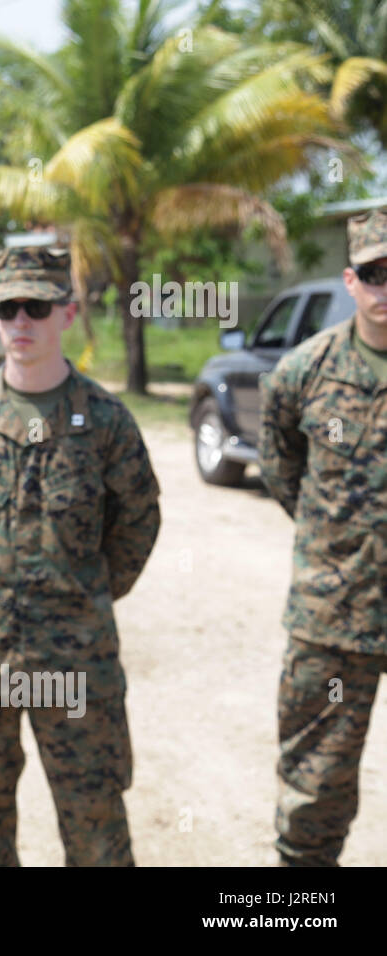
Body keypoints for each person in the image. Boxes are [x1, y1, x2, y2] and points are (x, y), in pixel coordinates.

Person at [0, 246, 160, 866]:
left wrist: (82, 594)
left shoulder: (106, 422)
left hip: (74, 663)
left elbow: (136, 528)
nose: (21, 321)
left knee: (96, 830)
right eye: (7, 308)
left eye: (37, 307)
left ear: (66, 314)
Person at [260, 206, 387, 866]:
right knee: (315, 793)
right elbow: (285, 472)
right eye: (375, 273)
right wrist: (337, 539)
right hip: (333, 620)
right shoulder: (302, 373)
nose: (386, 289)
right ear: (350, 280)